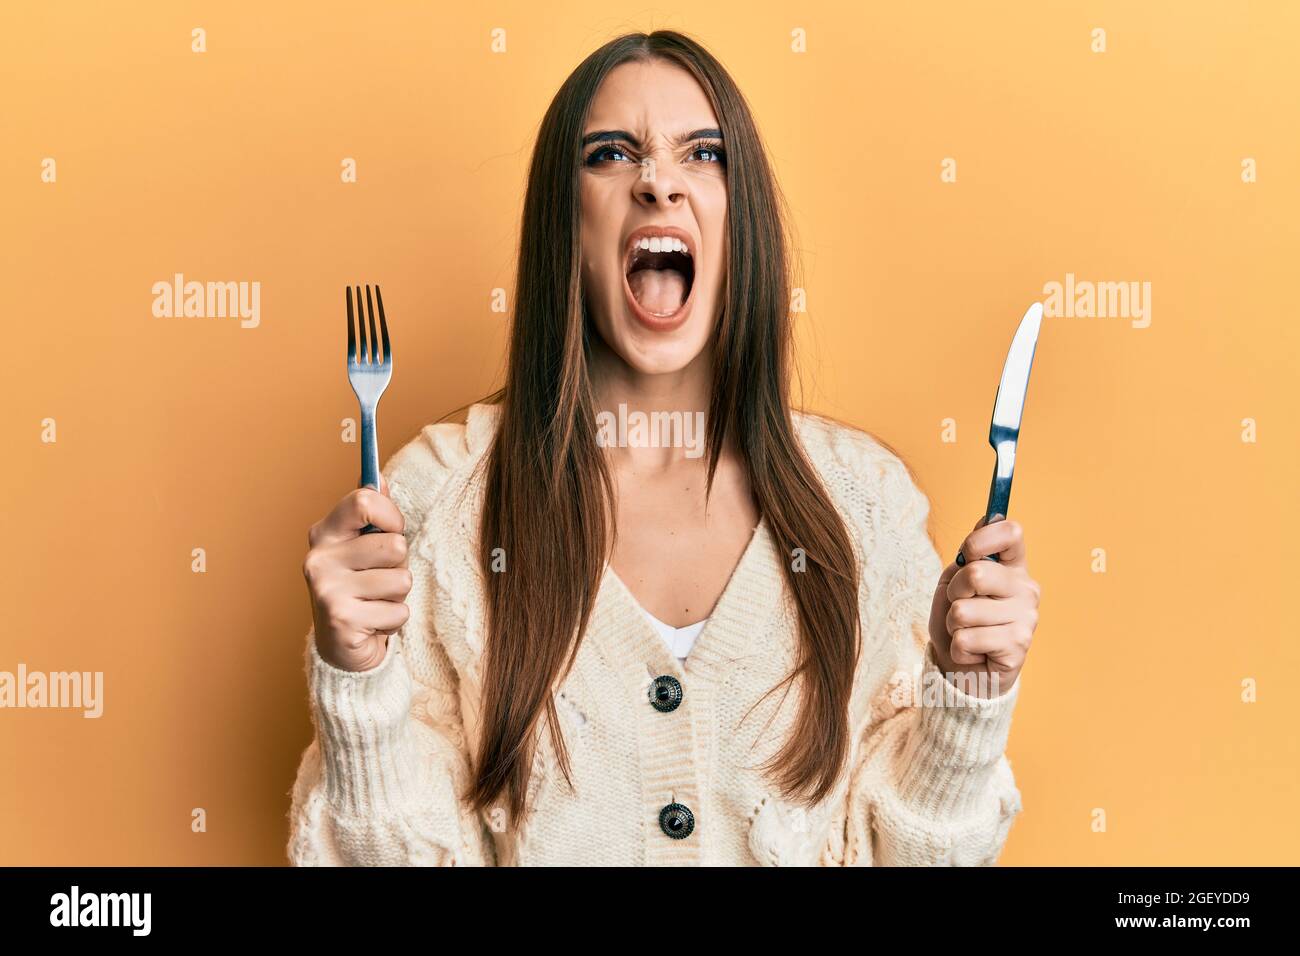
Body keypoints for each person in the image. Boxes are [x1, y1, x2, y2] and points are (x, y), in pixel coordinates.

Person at [288, 30, 1040, 866]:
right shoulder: (436, 496)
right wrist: (355, 682)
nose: (656, 181)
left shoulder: (866, 505)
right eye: (610, 154)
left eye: (703, 154)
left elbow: (907, 856)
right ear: (564, 225)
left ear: (740, 221)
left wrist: (969, 700)